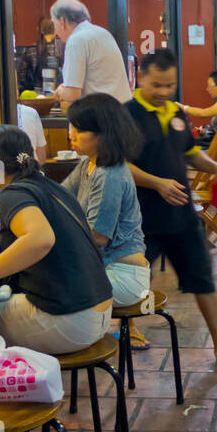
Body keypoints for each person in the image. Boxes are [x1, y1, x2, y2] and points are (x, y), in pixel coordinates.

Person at [125, 49, 217, 364]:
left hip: (182, 215)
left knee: (201, 275)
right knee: (133, 280)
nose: (164, 92)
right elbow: (120, 165)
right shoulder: (126, 114)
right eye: (157, 85)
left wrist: (216, 168)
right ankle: (126, 330)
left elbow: (189, 154)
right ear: (142, 78)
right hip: (143, 218)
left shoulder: (176, 113)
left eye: (169, 85)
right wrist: (156, 182)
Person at [0, 125, 112, 355]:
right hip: (99, 312)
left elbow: (41, 239)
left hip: (70, 321)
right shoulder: (52, 187)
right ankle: (1, 380)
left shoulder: (13, 194)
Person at [65, 94, 151, 313]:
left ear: (104, 135)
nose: (71, 135)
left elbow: (98, 237)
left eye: (80, 130)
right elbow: (59, 197)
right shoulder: (87, 166)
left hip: (124, 277)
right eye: (72, 127)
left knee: (50, 288)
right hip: (106, 269)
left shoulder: (108, 174)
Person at [52, 0, 132, 105]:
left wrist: (60, 91)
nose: (55, 32)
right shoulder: (102, 33)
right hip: (121, 111)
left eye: (54, 24)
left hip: (101, 115)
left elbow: (72, 94)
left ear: (62, 22)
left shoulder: (76, 40)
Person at [182, 69, 217, 146]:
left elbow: (203, 113)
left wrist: (183, 108)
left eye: (209, 87)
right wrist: (205, 132)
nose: (208, 90)